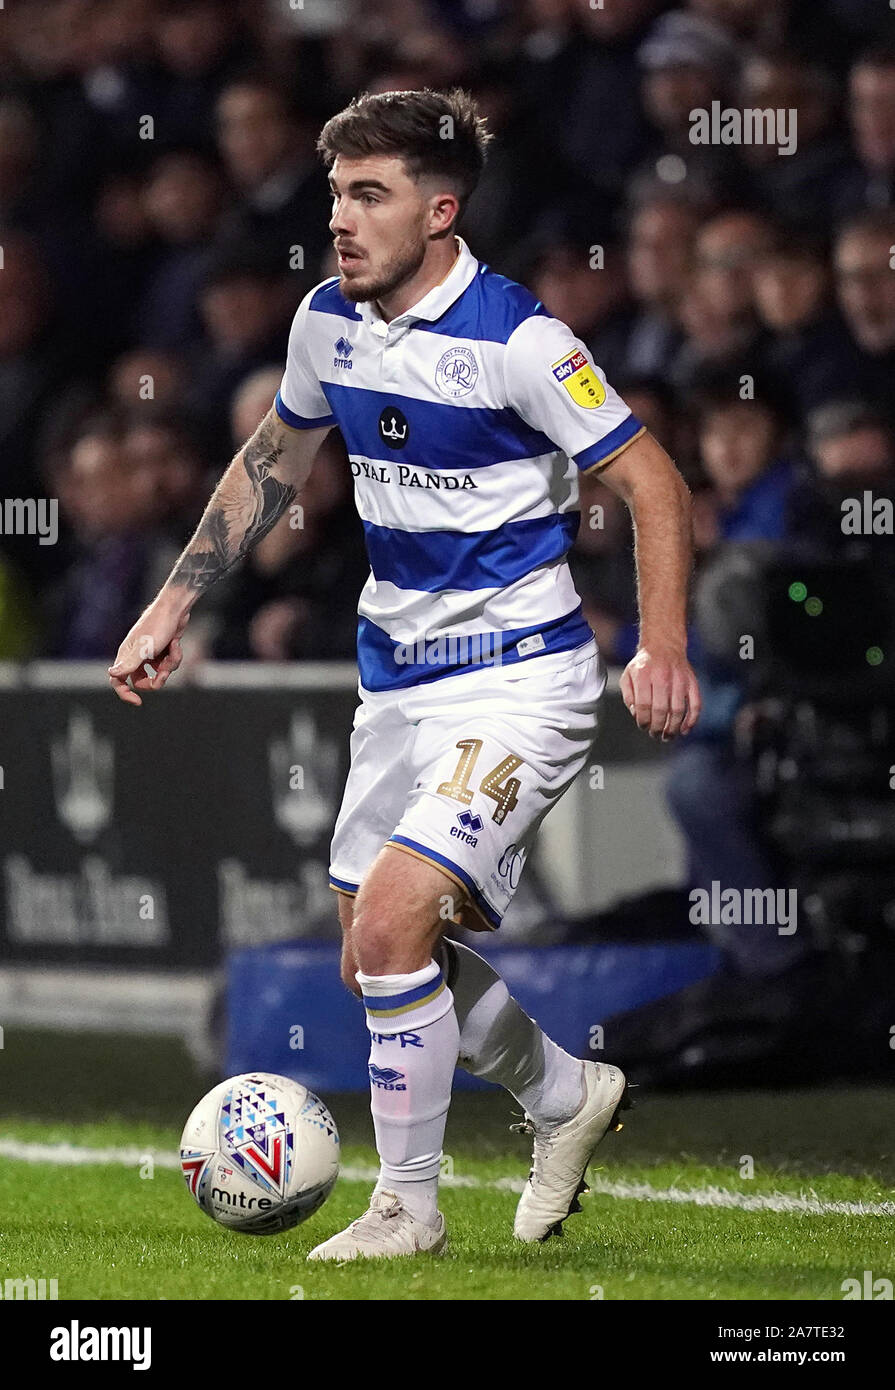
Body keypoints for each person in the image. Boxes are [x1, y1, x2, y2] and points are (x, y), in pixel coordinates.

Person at [109, 88, 700, 1260]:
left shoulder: (521, 339)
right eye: (335, 192)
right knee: (376, 954)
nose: (341, 217)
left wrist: (663, 643)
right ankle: (563, 1096)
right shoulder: (325, 320)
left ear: (440, 211)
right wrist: (175, 598)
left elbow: (654, 485)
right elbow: (275, 454)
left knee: (388, 925)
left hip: (520, 682)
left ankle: (407, 1205)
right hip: (398, 689)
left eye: (368, 195)